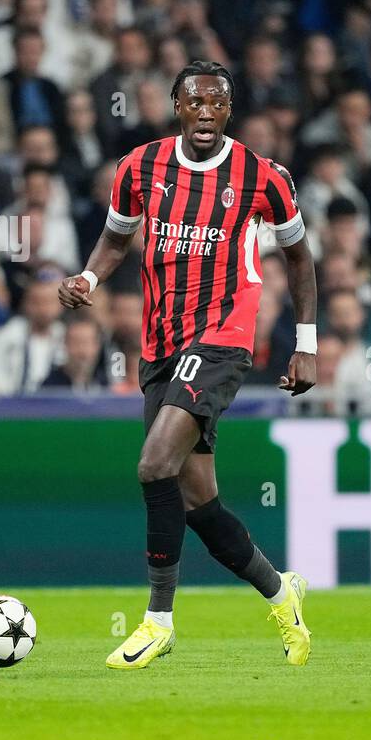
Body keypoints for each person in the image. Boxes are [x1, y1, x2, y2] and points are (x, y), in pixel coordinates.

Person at [57, 61, 317, 670]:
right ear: (177, 106)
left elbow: (300, 260)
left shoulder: (263, 177)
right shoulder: (139, 168)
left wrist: (305, 342)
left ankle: (157, 620)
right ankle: (283, 594)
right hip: (161, 345)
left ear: (230, 110)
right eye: (194, 102)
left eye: (217, 104)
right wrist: (91, 275)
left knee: (153, 466)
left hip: (224, 337)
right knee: (197, 500)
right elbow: (118, 237)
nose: (206, 112)